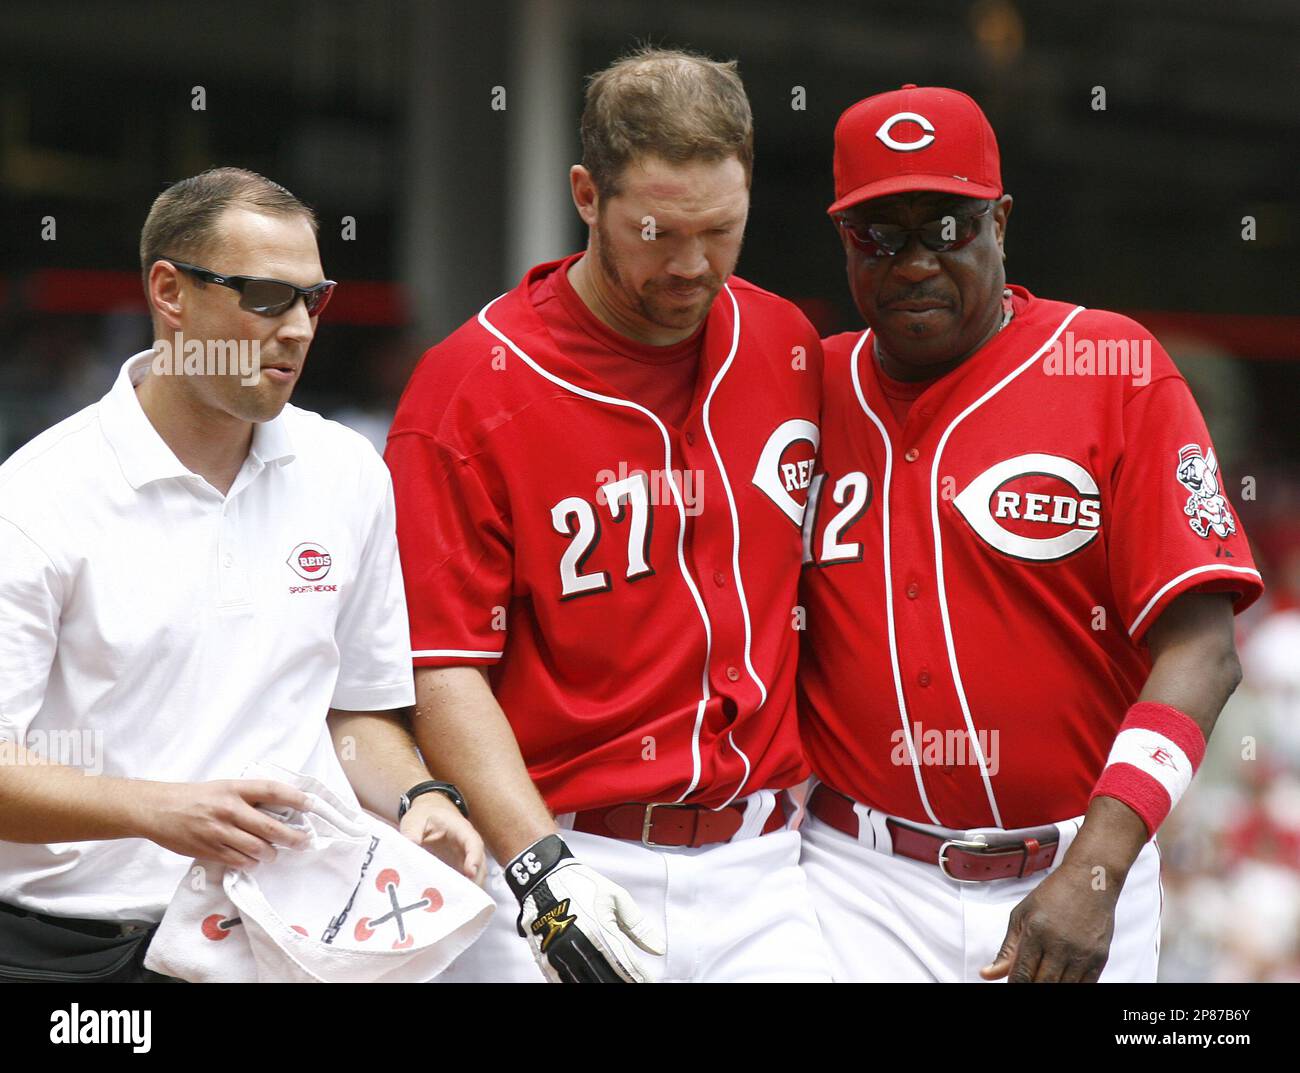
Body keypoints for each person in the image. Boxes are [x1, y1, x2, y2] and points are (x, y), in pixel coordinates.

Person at [797, 85, 1264, 983]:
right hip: (852, 878)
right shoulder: (801, 387)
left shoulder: (1111, 367)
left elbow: (1204, 650)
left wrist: (1098, 866)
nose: (913, 264)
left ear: (1001, 222)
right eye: (879, 235)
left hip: (1078, 865)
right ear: (845, 242)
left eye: (947, 227)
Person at [385, 48, 831, 983]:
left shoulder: (785, 342)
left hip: (767, 864)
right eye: (659, 231)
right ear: (586, 195)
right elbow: (442, 666)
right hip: (560, 848)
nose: (693, 263)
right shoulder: (470, 386)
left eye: (722, 230)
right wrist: (542, 869)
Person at [0, 167, 482, 982]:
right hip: (79, 950)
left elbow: (354, 717)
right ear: (169, 292)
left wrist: (417, 796)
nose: (297, 328)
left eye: (313, 299)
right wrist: (156, 809)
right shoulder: (38, 496)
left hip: (293, 938)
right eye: (265, 296)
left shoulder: (346, 471)